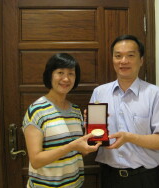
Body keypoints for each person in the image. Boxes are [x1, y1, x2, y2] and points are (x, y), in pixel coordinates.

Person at [89, 35, 159, 188]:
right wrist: (89, 125)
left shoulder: (155, 94)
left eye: (130, 55)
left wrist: (129, 137)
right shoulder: (99, 93)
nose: (123, 61)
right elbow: (93, 138)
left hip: (144, 178)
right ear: (112, 59)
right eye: (118, 56)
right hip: (109, 177)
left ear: (141, 60)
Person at [22, 53, 101, 188]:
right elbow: (36, 161)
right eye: (60, 72)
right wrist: (72, 146)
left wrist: (93, 129)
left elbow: (81, 150)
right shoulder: (36, 110)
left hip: (75, 184)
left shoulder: (75, 110)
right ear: (50, 75)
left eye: (71, 74)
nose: (66, 78)